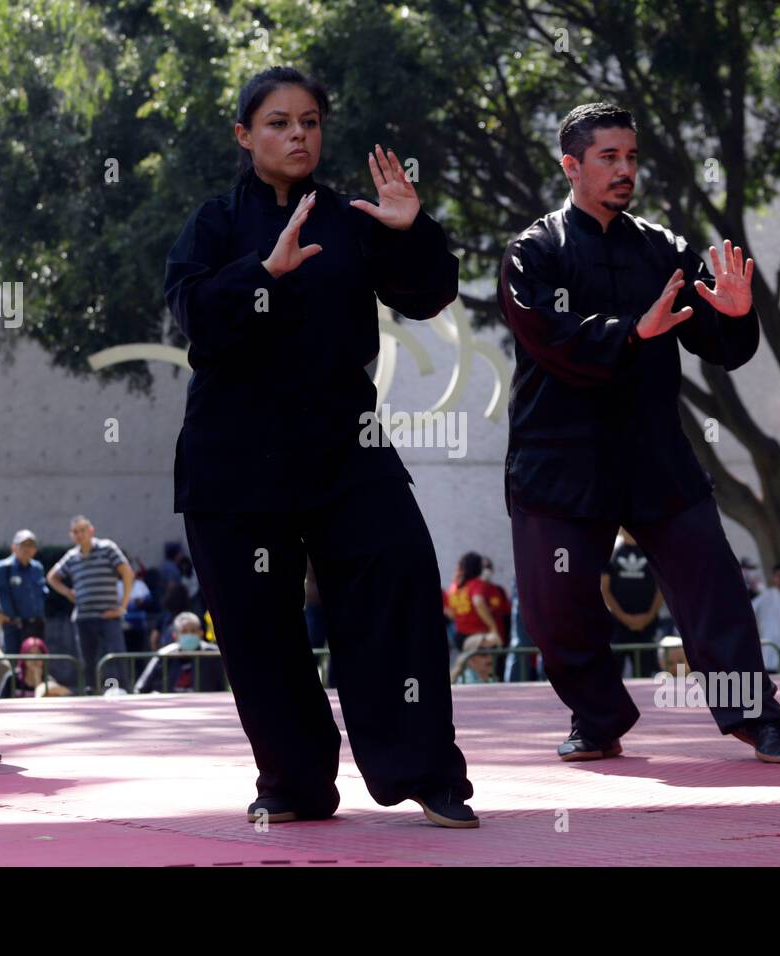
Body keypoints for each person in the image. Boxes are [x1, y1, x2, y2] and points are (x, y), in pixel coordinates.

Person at [163, 66, 475, 827]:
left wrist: (412, 229)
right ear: (245, 136)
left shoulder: (353, 217)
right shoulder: (211, 223)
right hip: (234, 451)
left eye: (309, 120)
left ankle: (426, 771)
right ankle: (296, 782)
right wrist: (261, 272)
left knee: (396, 579)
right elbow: (192, 314)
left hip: (344, 440)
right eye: (277, 122)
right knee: (256, 623)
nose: (297, 134)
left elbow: (427, 293)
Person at [497, 102, 780, 764]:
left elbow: (721, 346)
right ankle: (598, 716)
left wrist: (740, 316)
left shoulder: (664, 249)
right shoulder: (534, 251)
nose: (625, 170)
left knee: (713, 583)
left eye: (631, 157)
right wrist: (633, 333)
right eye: (609, 158)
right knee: (557, 609)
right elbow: (549, 338)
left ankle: (757, 716)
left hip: (655, 453)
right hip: (561, 457)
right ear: (571, 165)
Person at [45, 516, 134, 692]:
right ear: (71, 535)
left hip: (109, 615)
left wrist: (122, 607)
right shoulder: (72, 556)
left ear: (91, 530)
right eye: (75, 532)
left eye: (82, 530)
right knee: (88, 662)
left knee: (117, 657)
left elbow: (128, 573)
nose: (79, 535)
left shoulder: (108, 548)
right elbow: (52, 577)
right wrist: (69, 593)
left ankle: (126, 692)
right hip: (83, 617)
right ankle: (92, 693)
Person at [601, 528, 665, 677]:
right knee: (614, 673)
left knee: (646, 672)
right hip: (618, 625)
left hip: (648, 625)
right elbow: (605, 590)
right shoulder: (611, 551)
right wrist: (624, 617)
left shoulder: (652, 550)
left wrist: (648, 616)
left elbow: (662, 587)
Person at [444, 552, 503, 683]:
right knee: (494, 646)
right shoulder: (476, 584)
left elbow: (450, 612)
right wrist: (493, 627)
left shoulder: (454, 588)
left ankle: (453, 682)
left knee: (466, 666)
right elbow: (478, 602)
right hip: (476, 636)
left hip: (459, 636)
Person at [0, 529, 48, 655]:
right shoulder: (1, 568)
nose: (27, 549)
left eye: (31, 545)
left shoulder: (37, 568)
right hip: (13, 626)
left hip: (36, 625)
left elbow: (42, 593)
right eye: (23, 545)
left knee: (36, 665)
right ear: (14, 547)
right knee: (13, 665)